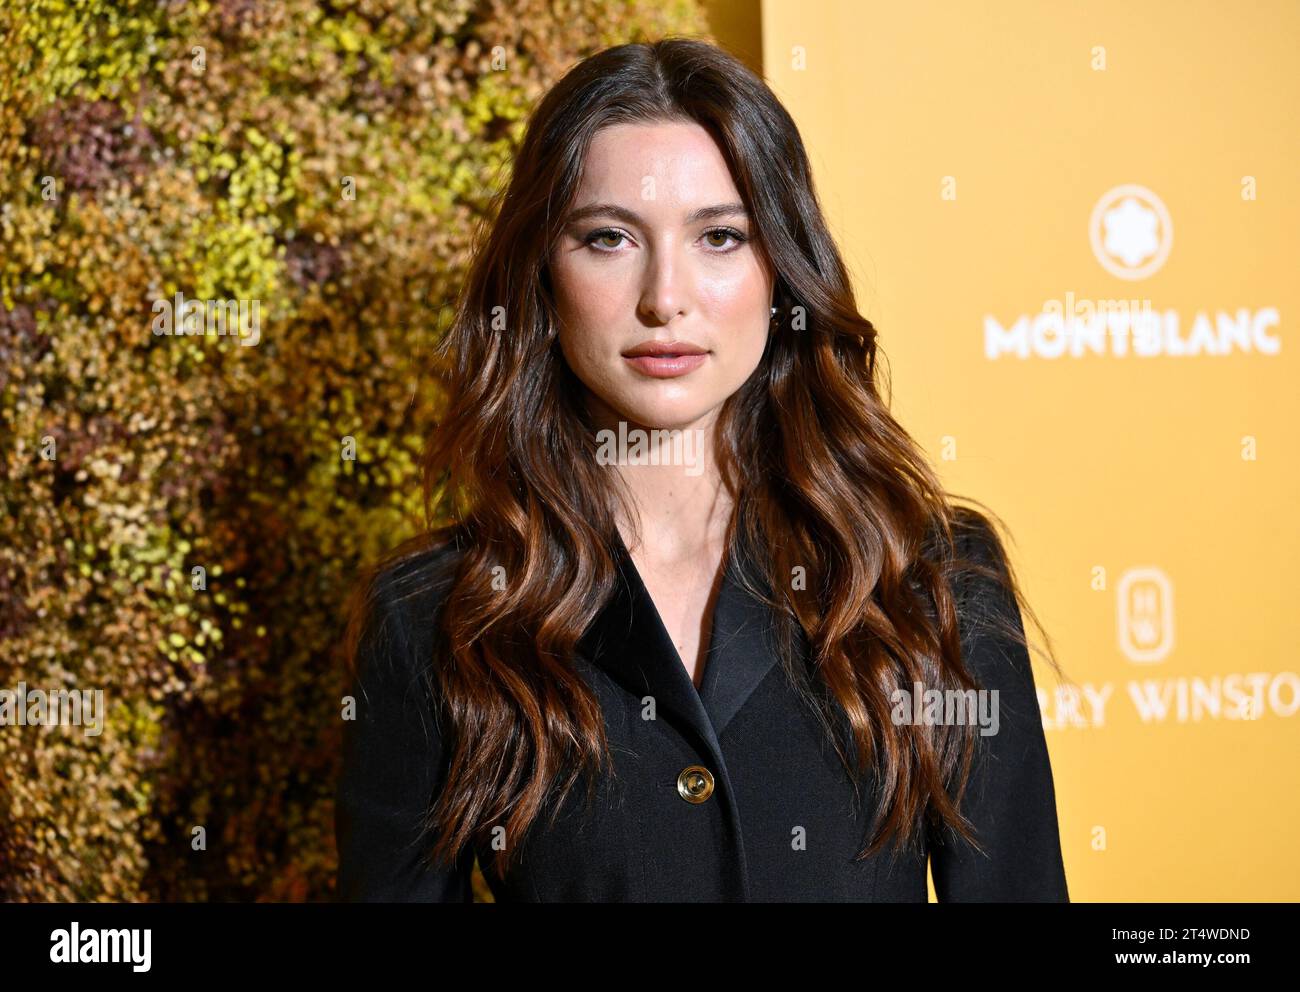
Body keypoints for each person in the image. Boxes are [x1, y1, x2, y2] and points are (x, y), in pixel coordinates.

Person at [334, 37, 1070, 902]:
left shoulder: (930, 577)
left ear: (781, 272)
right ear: (541, 274)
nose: (664, 297)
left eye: (720, 236)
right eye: (608, 238)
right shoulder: (436, 615)